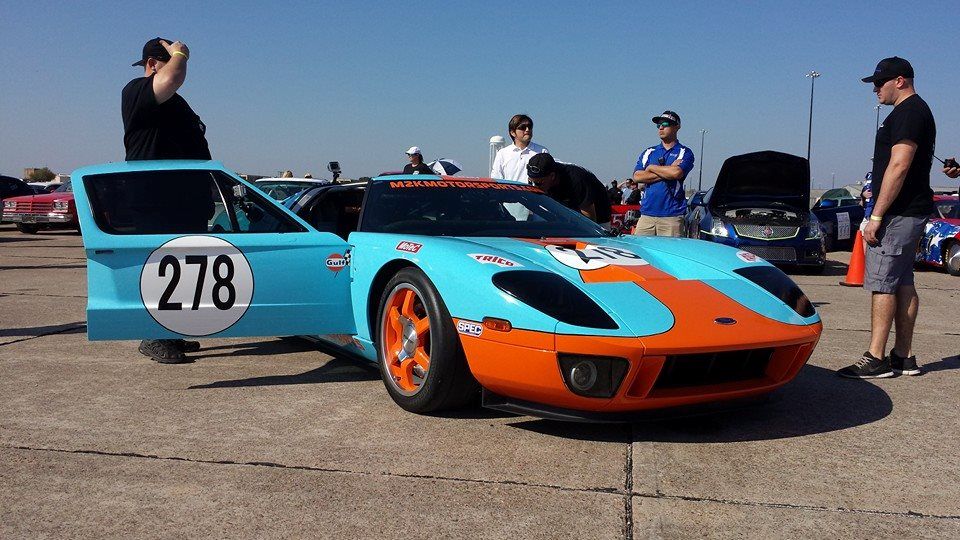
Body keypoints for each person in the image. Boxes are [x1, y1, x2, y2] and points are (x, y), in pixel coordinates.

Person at [838, 57, 935, 379]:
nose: (876, 89)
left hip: (898, 214)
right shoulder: (915, 112)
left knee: (882, 285)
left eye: (880, 82)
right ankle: (903, 356)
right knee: (903, 282)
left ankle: (875, 357)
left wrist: (877, 215)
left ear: (901, 80)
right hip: (910, 211)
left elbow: (899, 165)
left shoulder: (909, 113)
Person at [122, 36, 210, 364]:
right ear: (155, 64)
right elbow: (172, 76)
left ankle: (170, 332)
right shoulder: (135, 92)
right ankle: (154, 336)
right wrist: (181, 52)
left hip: (184, 202)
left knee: (184, 270)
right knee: (164, 269)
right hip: (156, 202)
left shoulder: (177, 104)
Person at [631, 111, 695, 236]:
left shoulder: (684, 152)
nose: (661, 127)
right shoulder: (649, 152)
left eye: (665, 124)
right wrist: (668, 170)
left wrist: (650, 168)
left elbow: (676, 173)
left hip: (671, 217)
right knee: (641, 253)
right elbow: (637, 176)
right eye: (658, 125)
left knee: (670, 254)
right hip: (646, 215)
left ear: (677, 127)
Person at [526, 153, 612, 226]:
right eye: (531, 182)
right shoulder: (545, 180)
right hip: (571, 212)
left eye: (538, 183)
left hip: (598, 216)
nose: (534, 187)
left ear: (552, 176)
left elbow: (590, 218)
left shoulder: (576, 180)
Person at [490, 114, 549, 183]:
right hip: (510, 193)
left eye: (530, 127)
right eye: (522, 127)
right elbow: (496, 179)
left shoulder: (542, 151)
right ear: (512, 132)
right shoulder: (502, 154)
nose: (527, 130)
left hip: (534, 193)